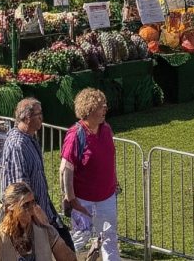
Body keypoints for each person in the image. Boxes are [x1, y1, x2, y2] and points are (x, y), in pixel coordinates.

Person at [59, 88, 119, 261]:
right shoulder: (75, 135)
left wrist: (114, 182)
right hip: (83, 201)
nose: (105, 109)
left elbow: (108, 159)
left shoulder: (106, 129)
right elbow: (65, 169)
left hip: (107, 197)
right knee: (79, 239)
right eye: (101, 106)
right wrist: (71, 199)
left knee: (110, 239)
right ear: (89, 110)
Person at [0, 98, 58, 229]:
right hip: (27, 221)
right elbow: (20, 190)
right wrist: (34, 218)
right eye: (38, 114)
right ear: (27, 118)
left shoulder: (30, 137)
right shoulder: (17, 145)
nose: (42, 117)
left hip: (41, 213)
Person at [0, 182, 71, 261]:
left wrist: (49, 228)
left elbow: (68, 258)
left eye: (33, 202)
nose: (31, 209)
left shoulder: (42, 230)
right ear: (9, 208)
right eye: (25, 205)